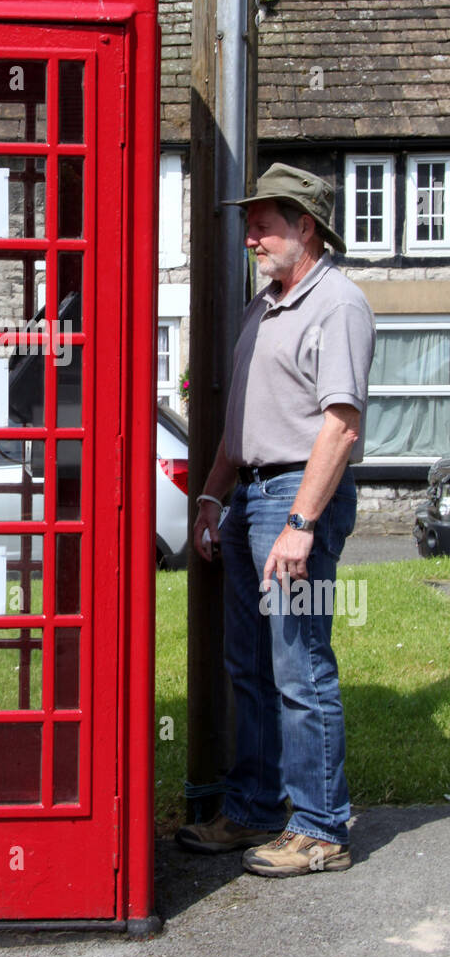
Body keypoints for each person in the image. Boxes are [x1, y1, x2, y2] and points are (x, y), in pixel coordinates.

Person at [176, 164, 376, 876]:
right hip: (250, 497)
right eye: (250, 222)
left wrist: (300, 521)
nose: (252, 235)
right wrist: (210, 495)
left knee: (300, 663)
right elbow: (243, 419)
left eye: (266, 222)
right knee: (249, 667)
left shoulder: (339, 304)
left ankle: (322, 828)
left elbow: (342, 426)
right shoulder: (265, 306)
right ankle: (256, 807)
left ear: (308, 228)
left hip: (298, 499)